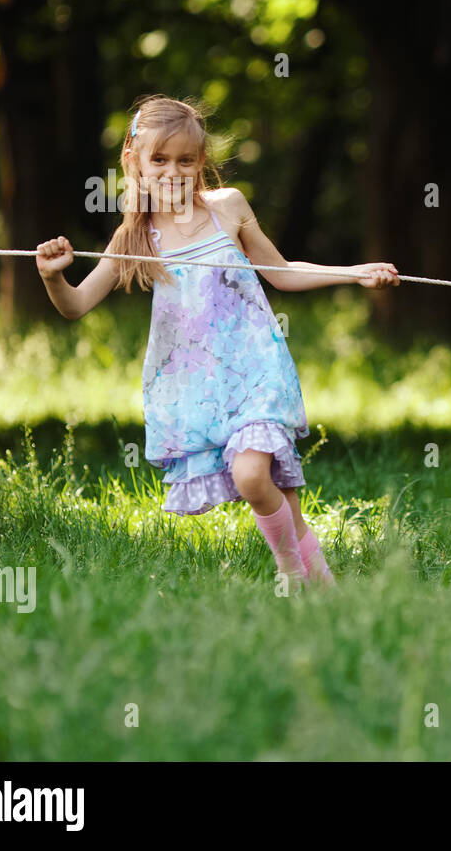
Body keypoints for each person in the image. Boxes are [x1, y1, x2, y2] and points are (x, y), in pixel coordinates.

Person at [36, 95, 400, 588]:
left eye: (186, 160)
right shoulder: (136, 239)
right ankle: (326, 595)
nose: (173, 171)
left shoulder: (228, 208)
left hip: (255, 371)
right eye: (159, 160)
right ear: (134, 163)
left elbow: (283, 273)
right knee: (284, 503)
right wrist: (53, 277)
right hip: (198, 391)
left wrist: (354, 274)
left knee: (253, 477)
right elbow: (75, 305)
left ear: (201, 162)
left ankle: (289, 573)